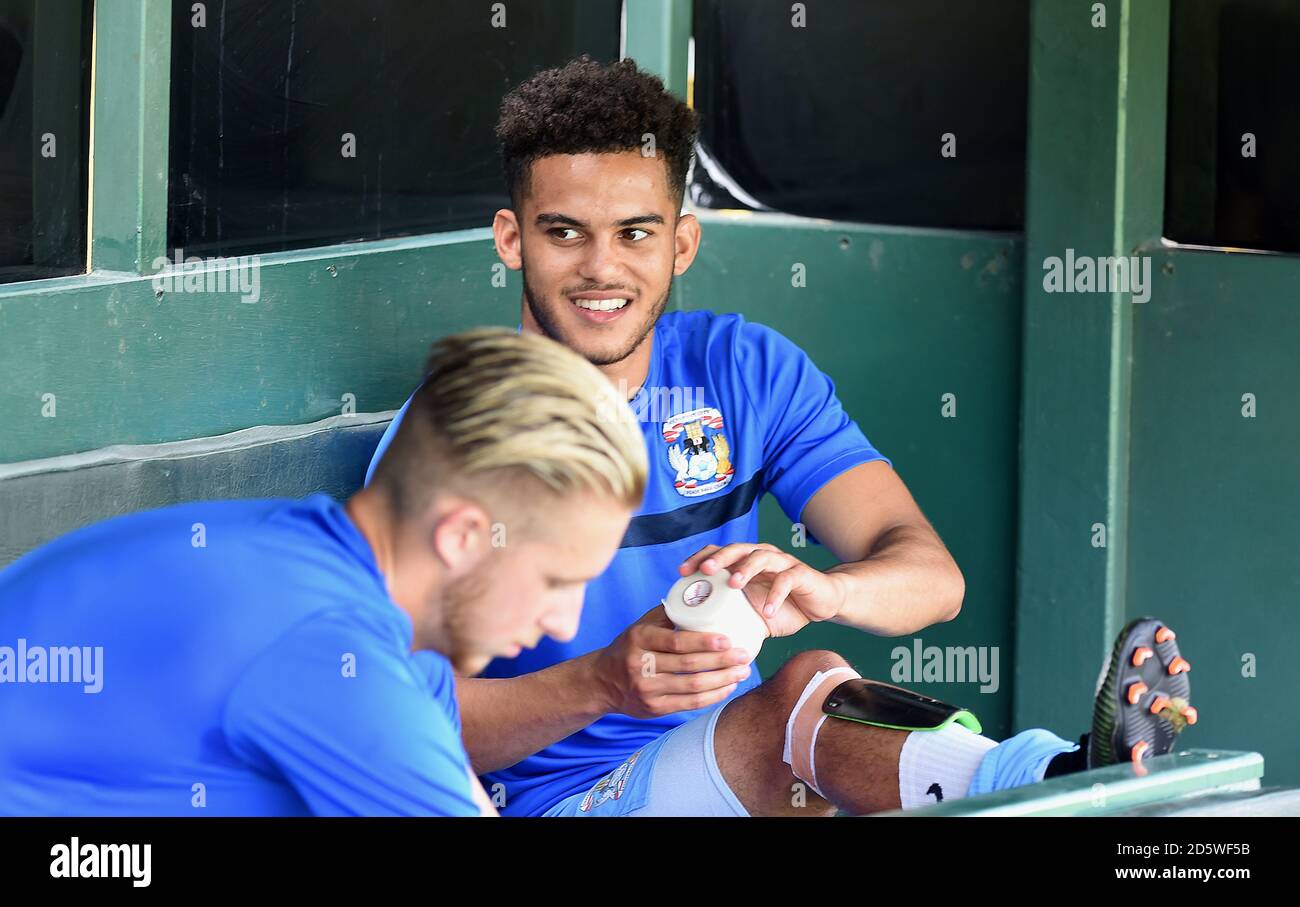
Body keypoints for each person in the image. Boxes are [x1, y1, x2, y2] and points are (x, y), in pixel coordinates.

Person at [365, 57, 1197, 817]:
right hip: (551, 800)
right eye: (565, 231)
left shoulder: (744, 370)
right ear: (513, 238)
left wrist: (829, 591)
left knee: (807, 696)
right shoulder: (452, 434)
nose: (601, 269)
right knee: (795, 707)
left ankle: (1064, 782)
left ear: (681, 243)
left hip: (745, 764)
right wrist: (606, 683)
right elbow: (388, 721)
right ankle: (1051, 783)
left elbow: (931, 578)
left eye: (636, 232)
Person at [0, 328, 648, 816]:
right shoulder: (325, 646)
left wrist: (609, 680)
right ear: (462, 536)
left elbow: (436, 739)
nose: (565, 619)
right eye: (558, 582)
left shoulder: (300, 561)